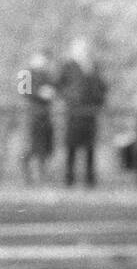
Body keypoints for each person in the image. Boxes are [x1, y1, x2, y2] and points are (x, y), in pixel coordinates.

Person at [56, 38, 108, 187]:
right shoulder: (67, 66)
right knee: (71, 146)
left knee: (89, 148)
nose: (84, 51)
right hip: (73, 112)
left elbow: (102, 87)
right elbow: (59, 86)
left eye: (85, 48)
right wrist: (70, 97)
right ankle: (69, 179)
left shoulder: (94, 66)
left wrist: (99, 101)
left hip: (90, 112)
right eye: (80, 48)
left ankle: (90, 180)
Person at [21, 51, 56, 184]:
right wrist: (39, 93)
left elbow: (54, 89)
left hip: (46, 116)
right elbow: (23, 91)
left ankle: (42, 177)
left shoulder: (47, 75)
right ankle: (26, 177)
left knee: (45, 148)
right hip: (31, 115)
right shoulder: (25, 73)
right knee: (30, 146)